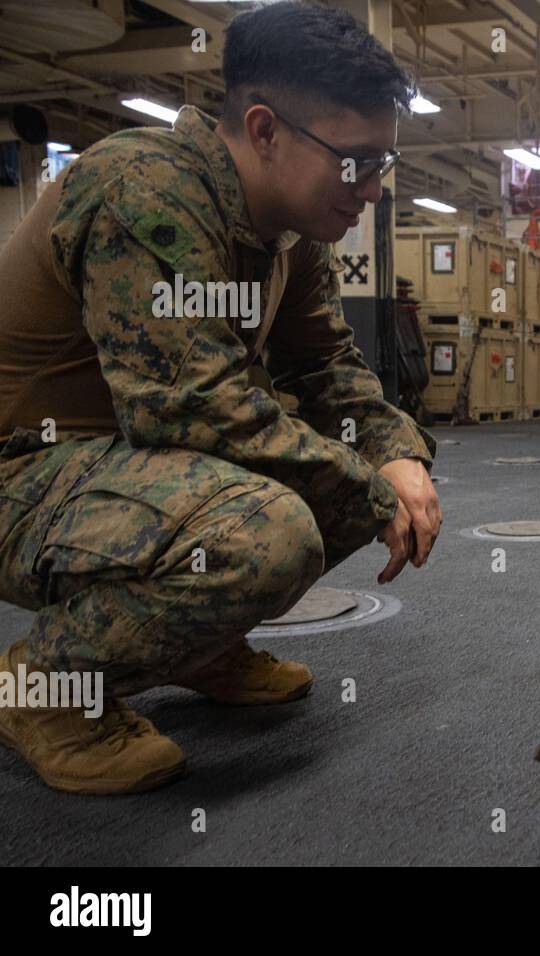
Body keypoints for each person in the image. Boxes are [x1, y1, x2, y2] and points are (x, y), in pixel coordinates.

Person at [0, 2, 440, 794]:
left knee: (367, 475)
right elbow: (187, 406)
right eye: (358, 162)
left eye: (385, 166)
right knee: (269, 532)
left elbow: (330, 367)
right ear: (266, 130)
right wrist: (371, 487)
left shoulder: (291, 236)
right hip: (22, 475)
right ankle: (46, 687)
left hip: (130, 471)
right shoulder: (145, 188)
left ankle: (201, 643)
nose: (373, 190)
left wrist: (397, 455)